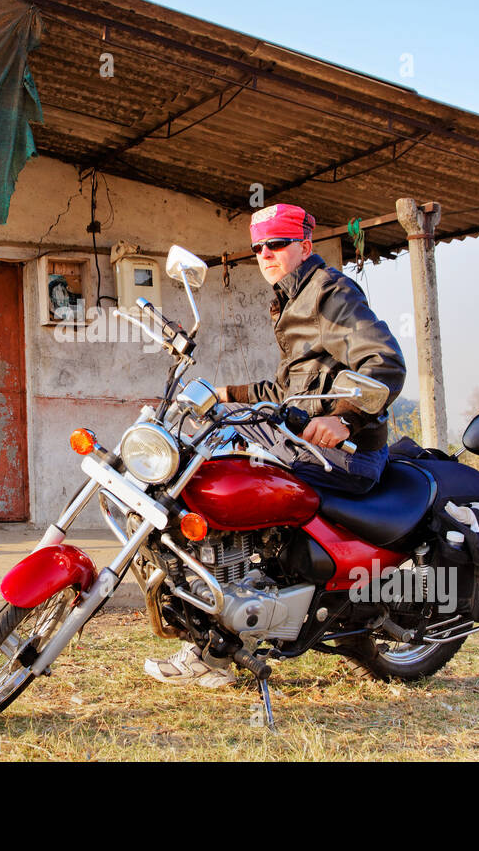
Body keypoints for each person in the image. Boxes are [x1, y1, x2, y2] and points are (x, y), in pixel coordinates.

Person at [143, 202, 407, 687]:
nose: (265, 254)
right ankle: (217, 618)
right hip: (299, 439)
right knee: (198, 476)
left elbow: (385, 364)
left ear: (304, 246)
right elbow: (290, 393)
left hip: (346, 453)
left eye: (276, 244)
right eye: (258, 247)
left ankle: (223, 647)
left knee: (242, 489)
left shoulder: (330, 292)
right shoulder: (289, 299)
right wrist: (224, 395)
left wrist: (345, 419)